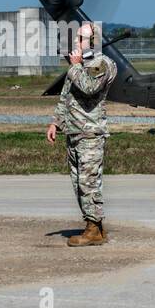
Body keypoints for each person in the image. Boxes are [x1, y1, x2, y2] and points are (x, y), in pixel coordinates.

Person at [46, 23, 118, 247]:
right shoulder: (79, 66)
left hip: (90, 134)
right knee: (79, 183)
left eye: (81, 39)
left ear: (93, 41)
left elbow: (89, 88)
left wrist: (74, 66)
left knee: (89, 182)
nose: (76, 43)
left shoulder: (101, 65)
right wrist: (56, 122)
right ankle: (95, 224)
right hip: (74, 132)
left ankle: (93, 229)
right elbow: (65, 97)